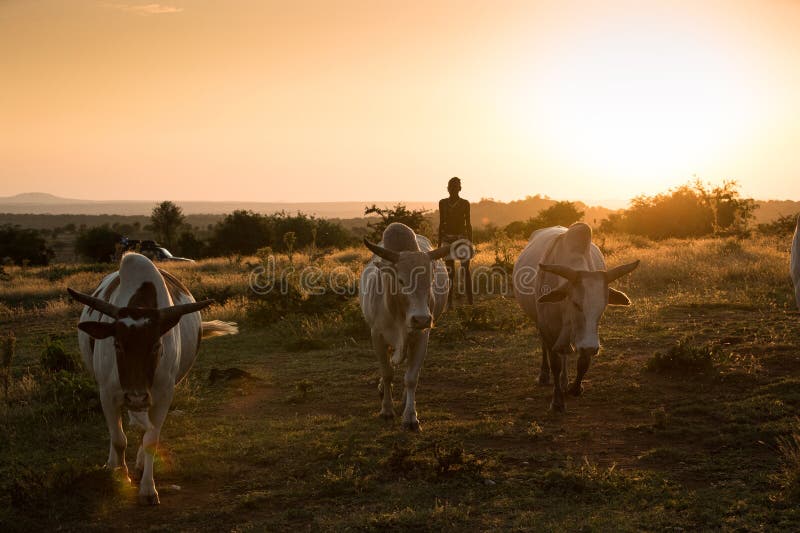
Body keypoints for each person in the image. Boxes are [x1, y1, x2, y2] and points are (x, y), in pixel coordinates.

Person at [438, 177, 473, 306]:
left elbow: (468, 223)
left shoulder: (465, 203)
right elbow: (442, 223)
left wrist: (470, 242)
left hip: (462, 238)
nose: (453, 188)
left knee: (466, 270)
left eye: (456, 186)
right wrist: (439, 244)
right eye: (451, 186)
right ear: (448, 188)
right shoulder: (442, 203)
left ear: (460, 188)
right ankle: (449, 304)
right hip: (447, 238)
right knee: (449, 272)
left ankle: (470, 303)